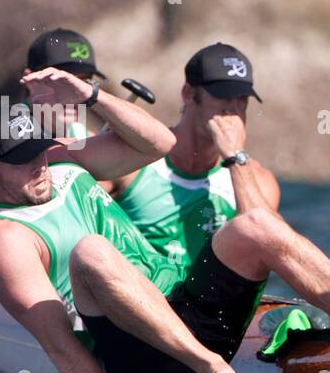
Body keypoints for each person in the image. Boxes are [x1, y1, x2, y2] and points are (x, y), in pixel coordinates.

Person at [0, 67, 330, 373]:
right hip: (145, 364)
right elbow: (61, 347)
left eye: (38, 150)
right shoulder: (4, 239)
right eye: (20, 159)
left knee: (254, 225)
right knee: (91, 251)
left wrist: (91, 95)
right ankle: (210, 366)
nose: (38, 164)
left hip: (185, 306)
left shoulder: (64, 167)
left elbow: (159, 142)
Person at [0, 28, 107, 284]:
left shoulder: (83, 135)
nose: (74, 92)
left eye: (83, 82)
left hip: (44, 258)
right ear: (29, 78)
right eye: (62, 80)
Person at [107, 43, 277, 264]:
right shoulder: (134, 159)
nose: (233, 109)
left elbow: (267, 243)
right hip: (138, 290)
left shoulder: (259, 181)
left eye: (242, 99)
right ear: (188, 94)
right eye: (224, 96)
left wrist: (235, 158)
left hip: (205, 295)